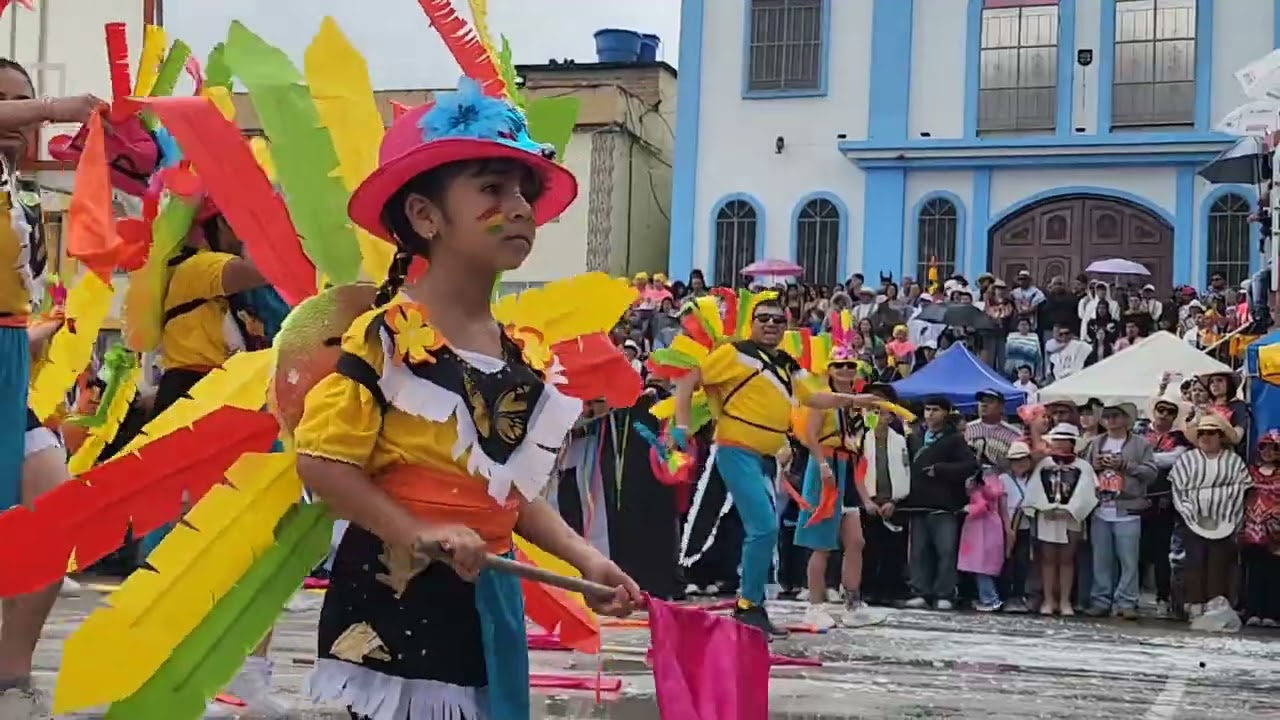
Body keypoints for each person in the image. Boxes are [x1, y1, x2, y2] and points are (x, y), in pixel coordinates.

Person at [294, 79, 642, 719]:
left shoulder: (522, 354)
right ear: (426, 217)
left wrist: (588, 559)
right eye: (491, 190)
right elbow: (321, 462)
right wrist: (418, 531)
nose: (519, 208)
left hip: (487, 599)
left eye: (524, 193)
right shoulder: (388, 338)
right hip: (396, 595)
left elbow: (511, 494)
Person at [0, 61, 113, 714]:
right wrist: (54, 106)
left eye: (26, 99)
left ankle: (11, 677)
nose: (21, 113)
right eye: (8, 102)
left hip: (10, 360)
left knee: (54, 517)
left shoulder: (29, 193)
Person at [671, 297, 875, 637]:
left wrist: (854, 400)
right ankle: (748, 606)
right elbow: (690, 378)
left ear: (786, 328)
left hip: (766, 459)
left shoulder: (784, 363)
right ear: (752, 322)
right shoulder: (734, 353)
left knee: (764, 531)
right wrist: (681, 425)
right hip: (736, 450)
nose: (771, 324)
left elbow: (812, 397)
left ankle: (752, 605)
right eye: (764, 318)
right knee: (764, 527)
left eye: (778, 321)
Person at [794, 347, 886, 629]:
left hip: (847, 467)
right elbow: (809, 435)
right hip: (826, 465)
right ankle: (815, 606)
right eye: (839, 365)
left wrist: (864, 495)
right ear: (829, 369)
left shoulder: (856, 406)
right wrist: (822, 467)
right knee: (821, 544)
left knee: (856, 541)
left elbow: (856, 448)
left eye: (850, 365)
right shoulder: (822, 399)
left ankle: (853, 603)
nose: (846, 370)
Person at [1169, 414, 1250, 622]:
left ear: (1220, 436)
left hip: (1225, 522)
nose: (1206, 437)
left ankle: (1216, 607)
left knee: (1218, 564)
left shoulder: (1234, 461)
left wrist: (1229, 515)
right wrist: (1191, 513)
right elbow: (1179, 490)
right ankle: (1194, 606)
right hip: (1193, 521)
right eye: (1202, 433)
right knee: (1194, 563)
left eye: (1211, 433)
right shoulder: (1187, 460)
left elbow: (1241, 489)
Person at [901, 396, 977, 611]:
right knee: (919, 551)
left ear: (946, 413)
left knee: (946, 551)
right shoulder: (915, 437)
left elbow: (970, 465)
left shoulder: (954, 439)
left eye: (935, 409)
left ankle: (945, 593)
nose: (930, 414)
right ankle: (920, 591)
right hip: (917, 503)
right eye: (927, 409)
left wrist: (941, 470)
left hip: (945, 505)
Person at [1081, 402, 1155, 620]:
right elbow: (1084, 471)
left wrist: (1125, 464)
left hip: (1128, 508)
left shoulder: (1141, 444)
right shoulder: (1096, 443)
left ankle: (1126, 602)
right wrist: (1095, 465)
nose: (1111, 420)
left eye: (1116, 416)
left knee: (1128, 560)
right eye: (1108, 416)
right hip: (1100, 507)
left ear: (1126, 419)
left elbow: (1151, 472)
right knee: (1101, 560)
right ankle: (1101, 600)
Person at [1025, 424, 1099, 616]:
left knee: (1067, 559)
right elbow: (1034, 489)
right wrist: (1045, 507)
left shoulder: (1083, 466)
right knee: (1048, 559)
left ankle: (1065, 601)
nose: (1059, 444)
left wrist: (1070, 510)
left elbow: (1087, 491)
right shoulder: (1044, 464)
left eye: (1063, 440)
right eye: (1056, 439)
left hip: (1071, 518)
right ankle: (1049, 600)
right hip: (1047, 516)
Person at [1142, 393, 1192, 619]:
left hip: (1164, 500)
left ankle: (1163, 597)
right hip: (1137, 497)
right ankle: (1129, 597)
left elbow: (1177, 459)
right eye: (1161, 410)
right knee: (1137, 551)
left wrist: (1148, 458)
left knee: (1162, 551)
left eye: (1170, 411)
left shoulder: (1180, 437)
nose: (1164, 415)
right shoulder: (1141, 431)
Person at [958, 456, 1009, 612]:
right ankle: (985, 597)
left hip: (985, 526)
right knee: (977, 565)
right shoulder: (977, 480)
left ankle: (990, 599)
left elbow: (986, 501)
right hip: (976, 527)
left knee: (982, 566)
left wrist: (968, 509)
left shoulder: (990, 481)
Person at [1242, 430, 1280, 627]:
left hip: (1276, 533)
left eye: (1274, 448)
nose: (1268, 451)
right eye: (1264, 447)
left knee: (1274, 573)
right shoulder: (1250, 472)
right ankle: (1253, 610)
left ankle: (1272, 613)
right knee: (1254, 571)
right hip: (1252, 529)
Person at [1000, 441, 1037, 613]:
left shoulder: (1035, 478)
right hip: (1008, 525)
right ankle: (1007, 596)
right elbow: (1002, 504)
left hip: (1029, 526)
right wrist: (1008, 528)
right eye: (1015, 460)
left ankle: (1021, 594)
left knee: (1023, 561)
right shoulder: (1004, 479)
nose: (1020, 463)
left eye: (1023, 459)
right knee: (1007, 561)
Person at [964, 389, 1022, 469]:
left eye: (990, 401)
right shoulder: (967, 429)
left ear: (1001, 407)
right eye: (981, 401)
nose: (984, 405)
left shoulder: (1014, 434)